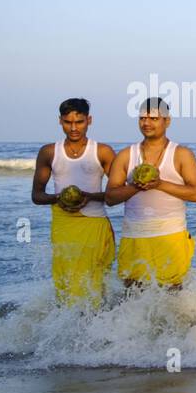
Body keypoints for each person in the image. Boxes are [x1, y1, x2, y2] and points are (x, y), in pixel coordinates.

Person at [105, 97, 196, 288]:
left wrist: (159, 183)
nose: (146, 123)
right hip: (134, 236)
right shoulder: (126, 155)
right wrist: (135, 186)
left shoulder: (182, 154)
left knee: (172, 295)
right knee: (132, 296)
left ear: (167, 121)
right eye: (142, 118)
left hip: (170, 235)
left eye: (153, 119)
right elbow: (110, 198)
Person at [31, 98, 117, 304]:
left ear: (89, 120)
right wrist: (57, 198)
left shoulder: (102, 151)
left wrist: (89, 196)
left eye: (79, 122)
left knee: (94, 280)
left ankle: (95, 328)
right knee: (66, 279)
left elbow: (116, 193)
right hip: (63, 224)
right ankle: (70, 330)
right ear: (60, 121)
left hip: (93, 222)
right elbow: (37, 195)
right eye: (68, 122)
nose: (74, 128)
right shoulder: (49, 152)